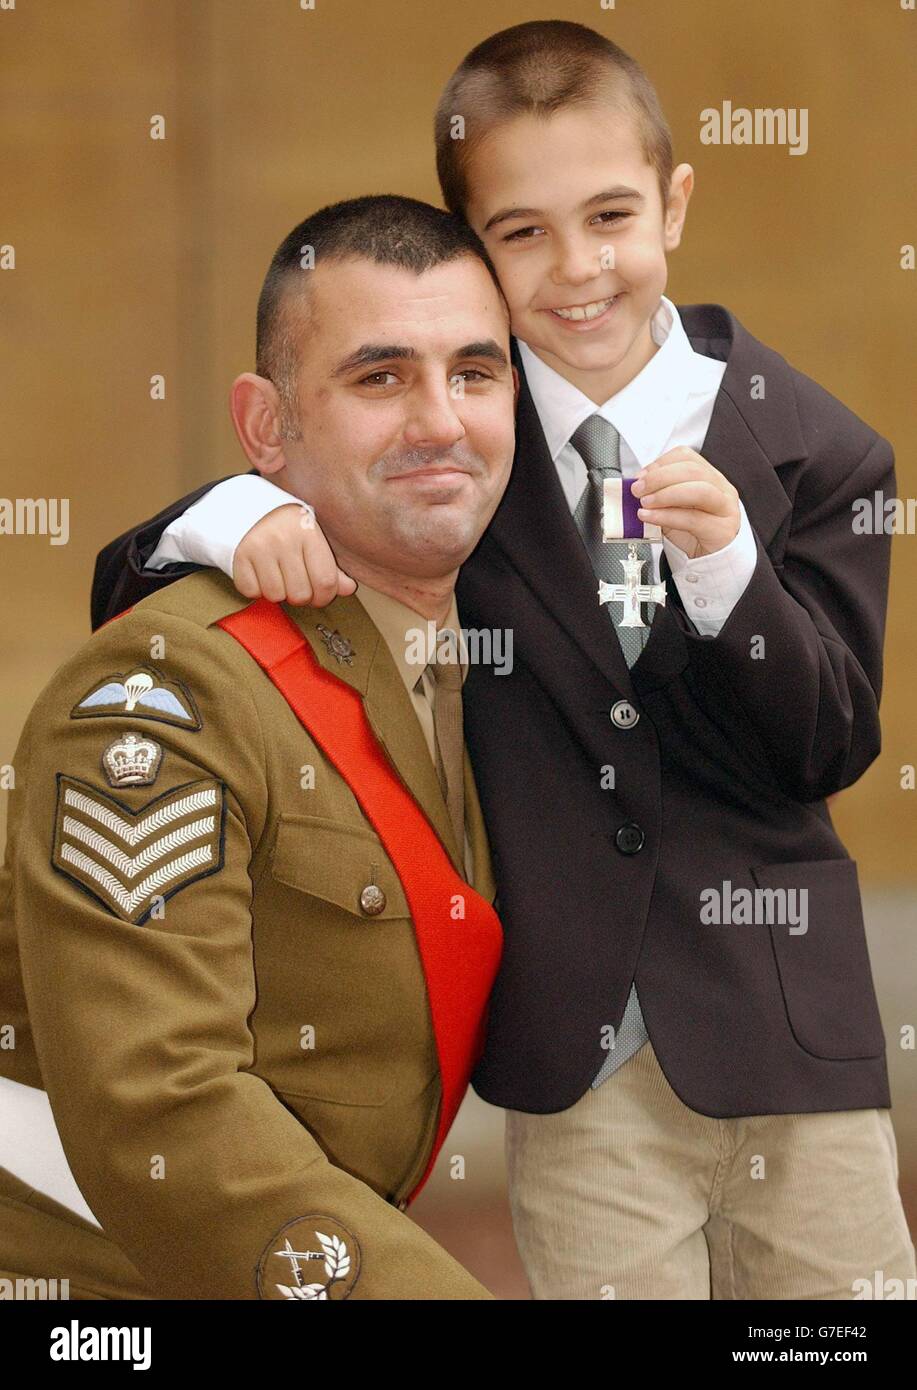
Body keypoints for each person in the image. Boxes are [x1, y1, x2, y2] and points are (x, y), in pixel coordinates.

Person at [91, 22, 915, 1299]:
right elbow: (129, 579)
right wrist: (233, 514)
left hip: (787, 1034)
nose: (576, 268)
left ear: (673, 204)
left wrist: (729, 577)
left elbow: (830, 744)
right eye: (521, 233)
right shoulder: (463, 439)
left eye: (608, 217)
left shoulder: (821, 449)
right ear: (473, 248)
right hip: (570, 1052)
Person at [0, 195, 517, 1300]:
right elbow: (162, 1108)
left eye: (475, 373)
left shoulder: (476, 669)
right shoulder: (164, 691)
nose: (441, 420)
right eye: (380, 377)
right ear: (267, 427)